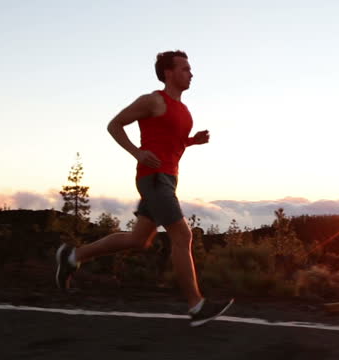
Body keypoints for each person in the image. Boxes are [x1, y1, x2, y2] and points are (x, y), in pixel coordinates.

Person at [55, 50, 233, 327]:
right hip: (153, 178)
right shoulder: (152, 100)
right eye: (185, 69)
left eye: (190, 69)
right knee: (182, 236)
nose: (191, 73)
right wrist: (137, 153)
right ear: (168, 73)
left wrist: (192, 141)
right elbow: (114, 125)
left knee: (139, 239)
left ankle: (72, 256)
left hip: (168, 179)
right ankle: (196, 305)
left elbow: (169, 142)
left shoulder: (184, 110)